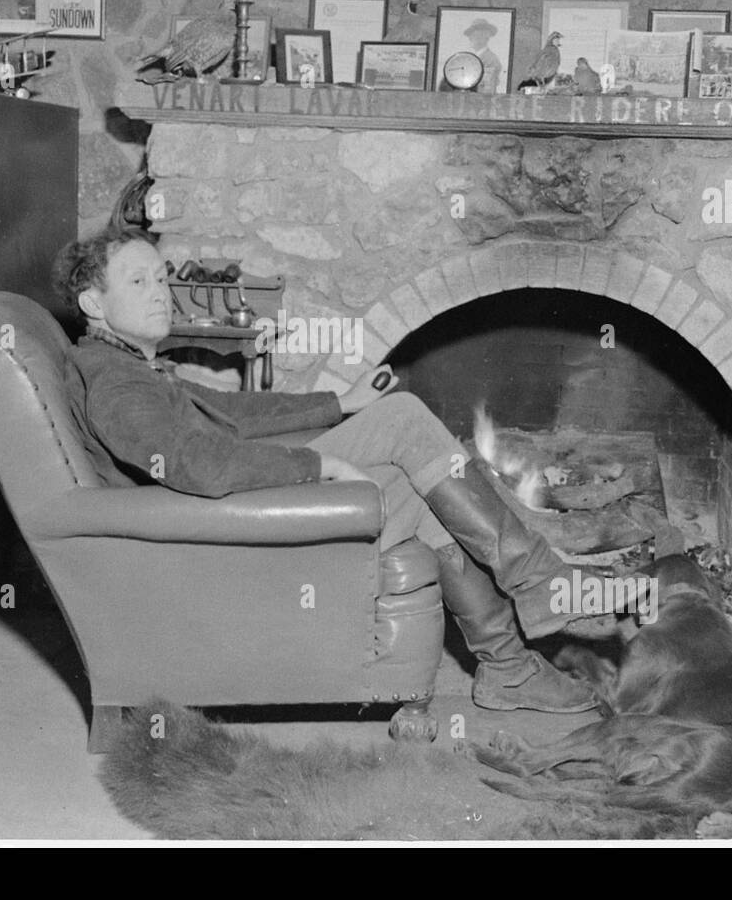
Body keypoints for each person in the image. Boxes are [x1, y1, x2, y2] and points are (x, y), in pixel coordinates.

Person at [54, 225, 609, 713]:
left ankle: (512, 654)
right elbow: (199, 465)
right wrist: (317, 463)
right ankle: (535, 596)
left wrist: (339, 404)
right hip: (220, 533)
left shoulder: (131, 366)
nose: (159, 294)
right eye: (137, 283)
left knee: (412, 454)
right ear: (93, 304)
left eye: (159, 278)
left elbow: (232, 412)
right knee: (407, 432)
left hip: (223, 515)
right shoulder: (118, 386)